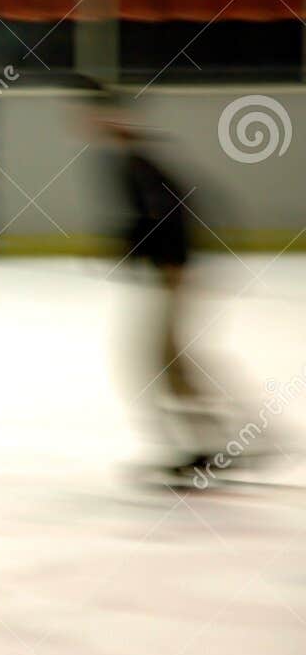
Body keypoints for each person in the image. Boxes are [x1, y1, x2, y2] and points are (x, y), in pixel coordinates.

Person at [81, 80, 235, 482]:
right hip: (173, 269)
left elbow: (167, 214)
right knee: (171, 360)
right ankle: (209, 442)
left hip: (174, 272)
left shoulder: (137, 161)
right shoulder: (132, 158)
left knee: (163, 360)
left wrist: (146, 253)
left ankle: (209, 444)